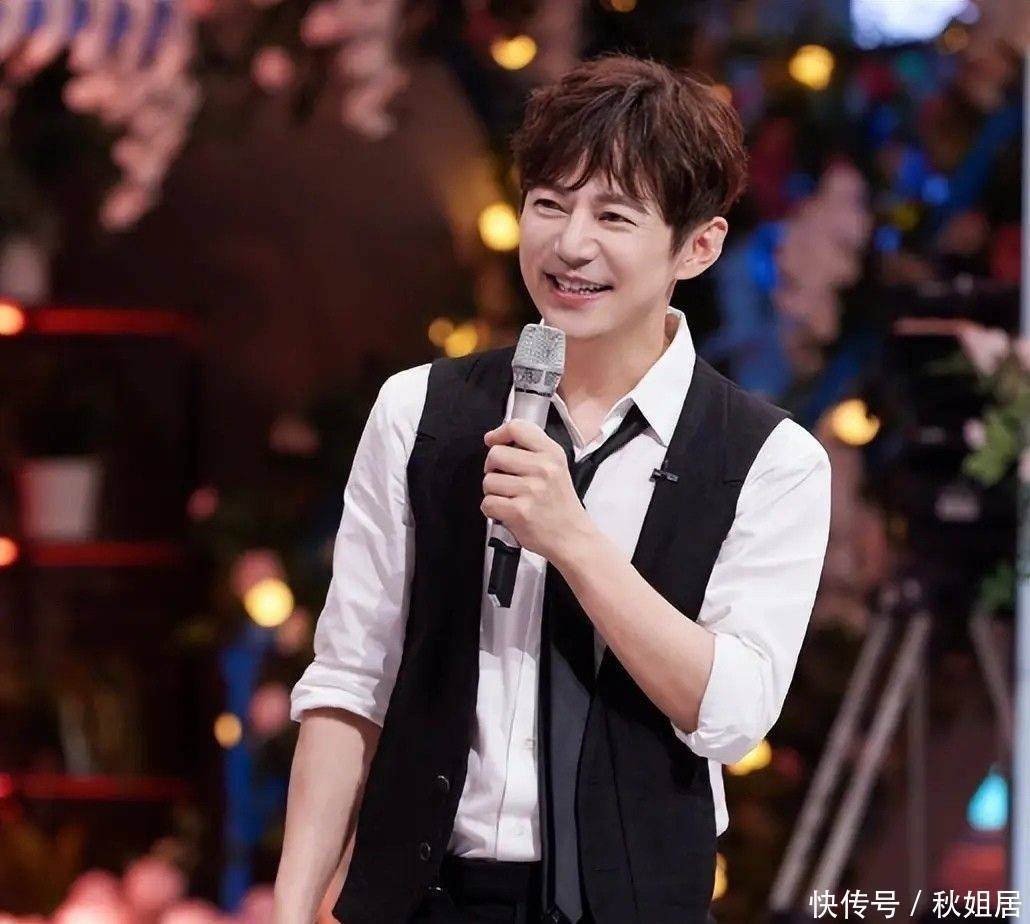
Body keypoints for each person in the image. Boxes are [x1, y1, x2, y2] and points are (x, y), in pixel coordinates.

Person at [273, 53, 831, 924]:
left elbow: (730, 714)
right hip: (421, 900)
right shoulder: (420, 412)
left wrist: (572, 539)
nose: (571, 245)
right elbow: (350, 684)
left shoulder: (770, 459)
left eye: (613, 215)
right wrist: (292, 906)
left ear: (698, 245)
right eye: (549, 204)